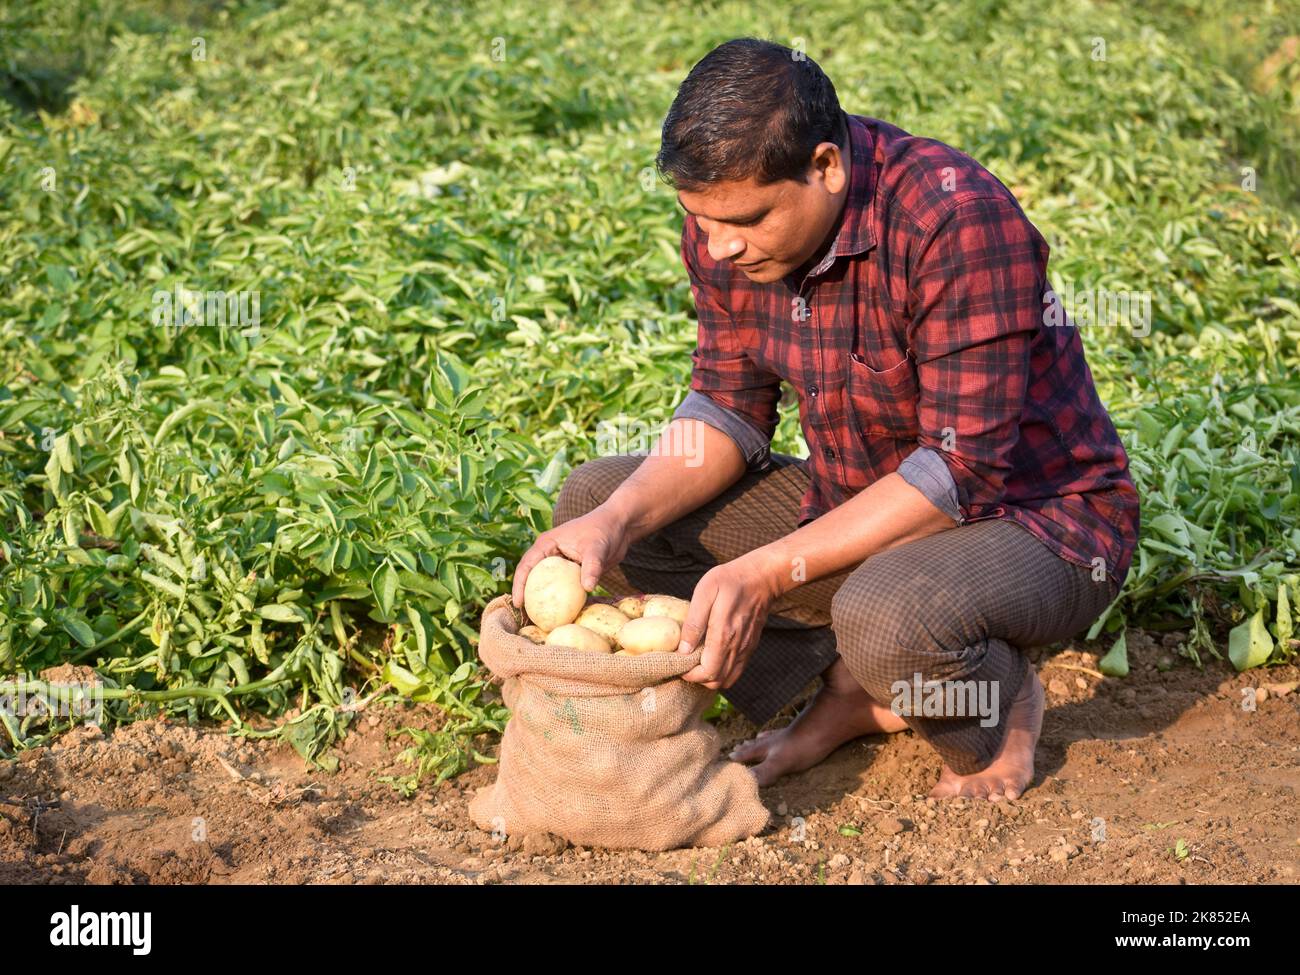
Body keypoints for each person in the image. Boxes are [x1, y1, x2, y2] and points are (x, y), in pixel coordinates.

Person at [511, 37, 1139, 801]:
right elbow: (727, 405)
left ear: (825, 167)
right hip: (862, 503)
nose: (719, 246)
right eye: (700, 222)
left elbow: (958, 473)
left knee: (885, 617)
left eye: (743, 220)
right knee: (596, 508)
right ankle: (851, 686)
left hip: (1041, 524)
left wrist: (768, 570)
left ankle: (997, 697)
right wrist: (614, 520)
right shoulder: (729, 225)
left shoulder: (955, 219)